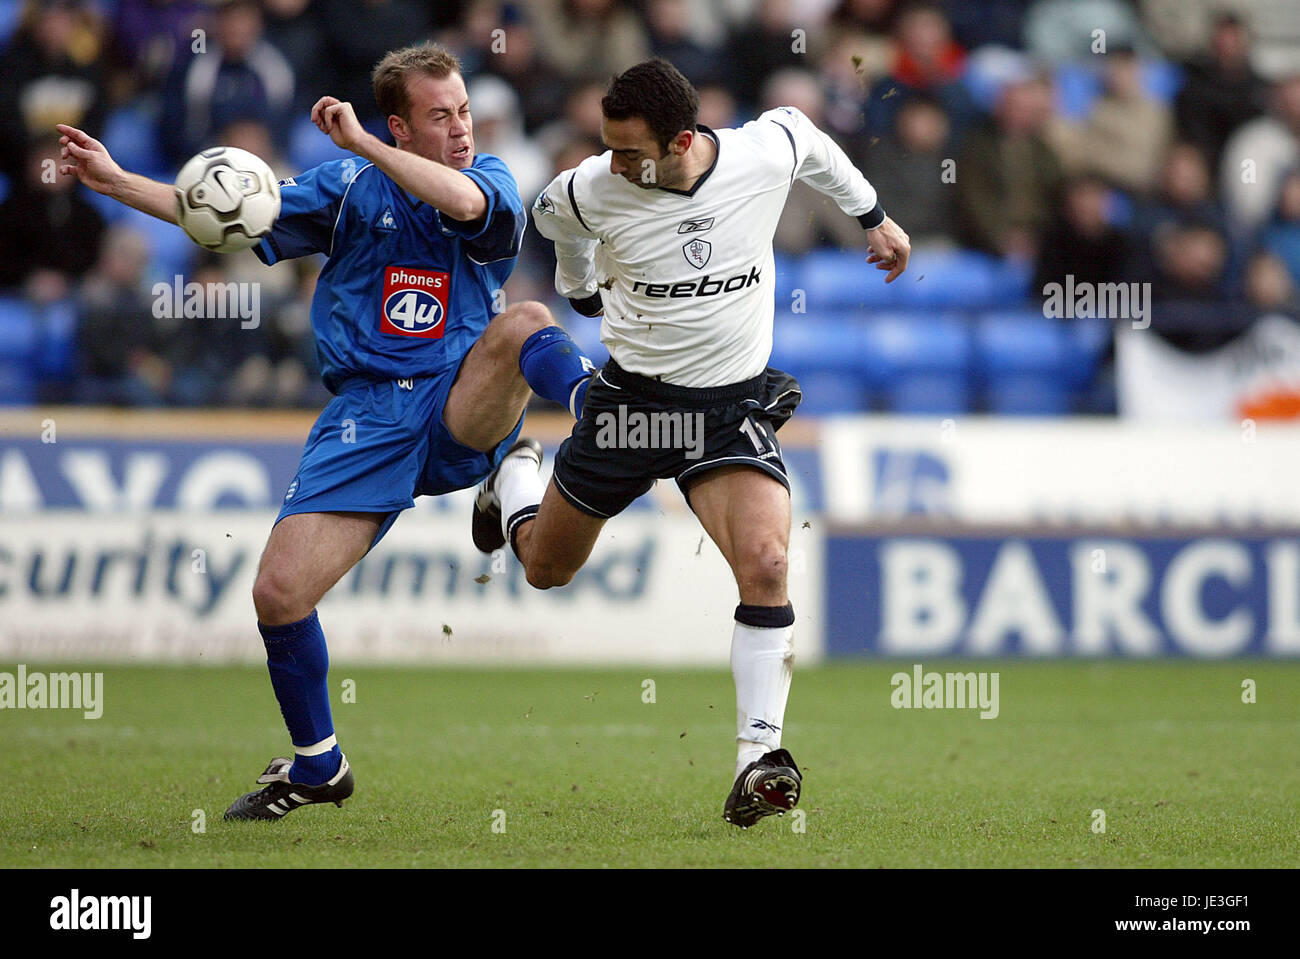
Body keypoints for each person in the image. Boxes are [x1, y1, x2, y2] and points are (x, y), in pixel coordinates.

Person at [57, 41, 594, 820]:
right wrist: (118, 182)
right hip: (367, 416)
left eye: (465, 111)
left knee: (528, 322)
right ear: (400, 125)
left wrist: (364, 145)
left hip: (456, 398)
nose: (462, 128)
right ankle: (319, 765)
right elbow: (226, 215)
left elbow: (469, 208)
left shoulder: (491, 177)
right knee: (277, 593)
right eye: (440, 116)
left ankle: (584, 408)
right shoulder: (342, 187)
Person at [472, 58, 911, 828]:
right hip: (632, 405)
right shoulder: (590, 184)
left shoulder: (757, 153)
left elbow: (811, 141)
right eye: (607, 145)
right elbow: (560, 224)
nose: (614, 162)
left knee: (769, 563)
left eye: (630, 150)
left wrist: (872, 217)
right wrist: (579, 286)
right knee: (546, 569)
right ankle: (511, 480)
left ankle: (758, 760)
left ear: (682, 140)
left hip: (727, 404)